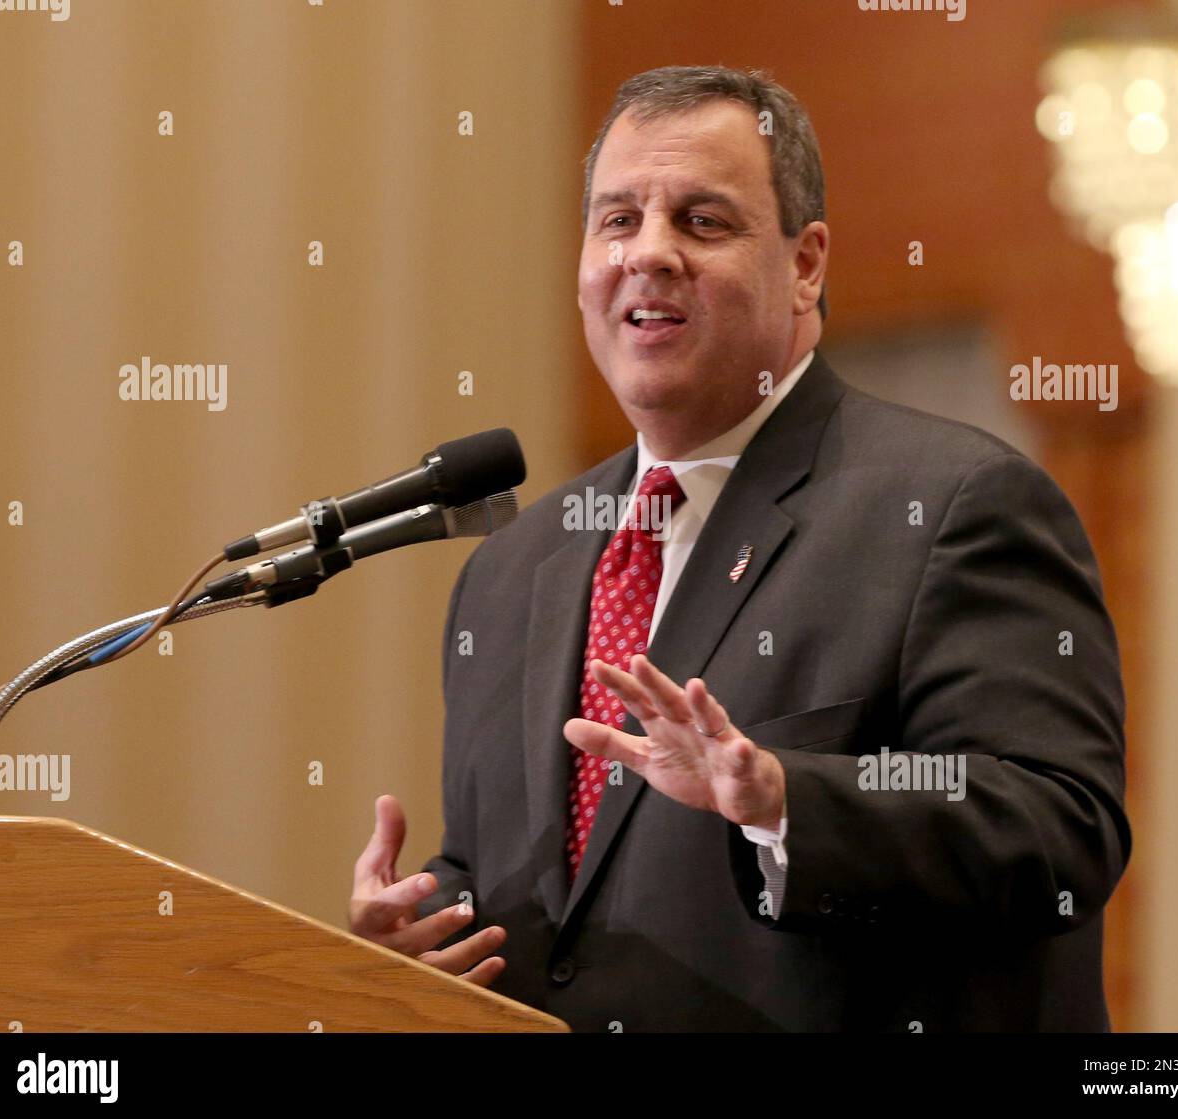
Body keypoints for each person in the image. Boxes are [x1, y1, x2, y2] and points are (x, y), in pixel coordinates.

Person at [348, 65, 1130, 1032]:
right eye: (618, 219)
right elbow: (549, 895)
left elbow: (1060, 830)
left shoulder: (953, 505)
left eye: (703, 222)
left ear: (806, 265)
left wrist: (783, 800)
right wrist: (419, 928)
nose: (649, 254)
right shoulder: (514, 568)